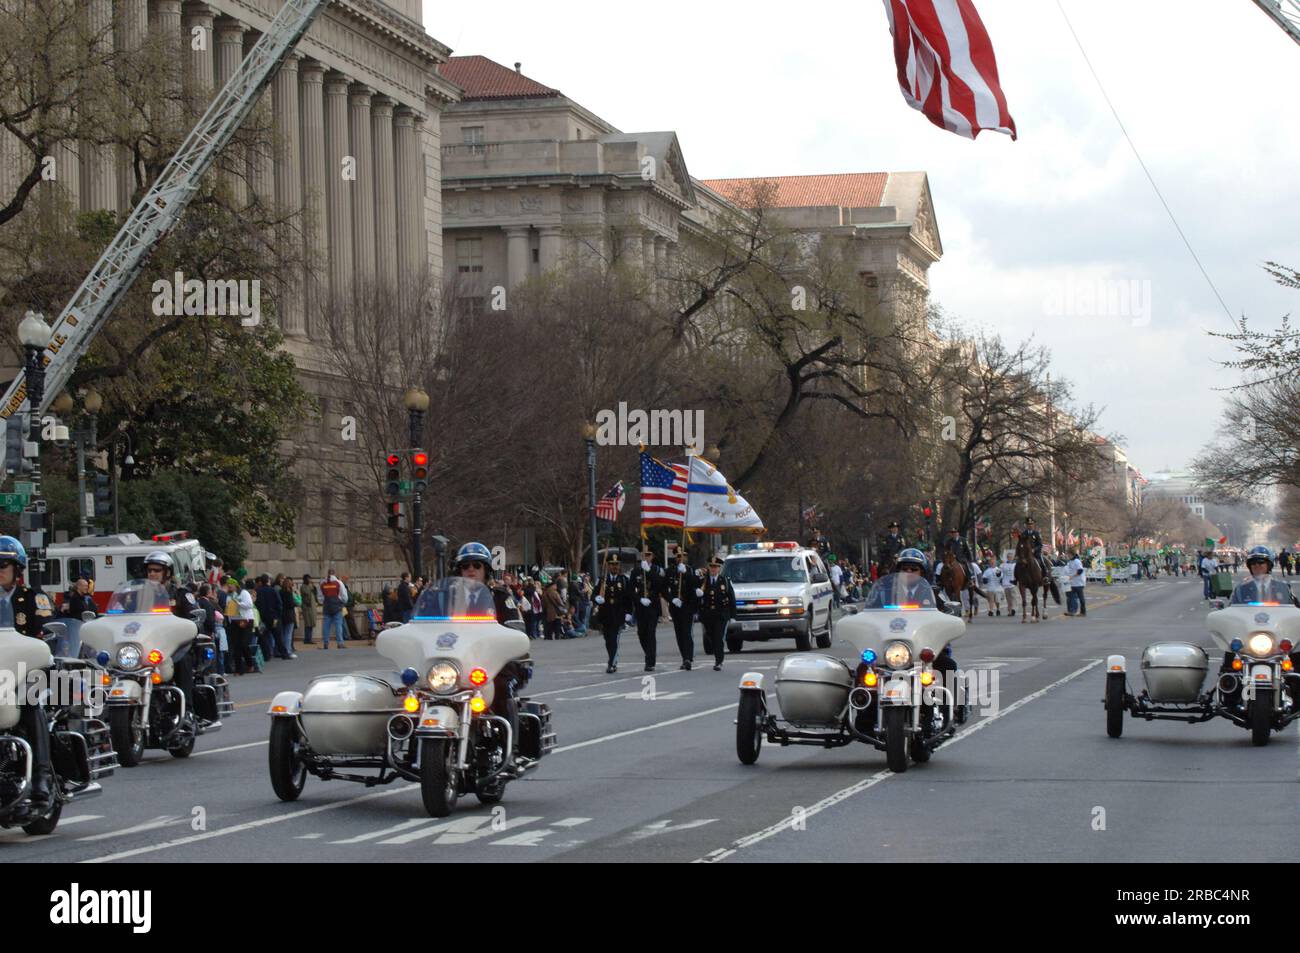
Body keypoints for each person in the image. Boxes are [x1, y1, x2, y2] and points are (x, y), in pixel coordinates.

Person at [0, 536, 56, 807]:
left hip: (29, 671)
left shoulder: (34, 598)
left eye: (3, 565)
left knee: (31, 702)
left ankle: (41, 775)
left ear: (17, 569)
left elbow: (45, 635)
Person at [628, 546, 665, 672]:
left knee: (650, 633)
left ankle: (650, 661)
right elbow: (630, 590)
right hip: (640, 607)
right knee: (641, 633)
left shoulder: (657, 570)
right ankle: (648, 653)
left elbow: (660, 585)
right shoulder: (635, 571)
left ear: (652, 556)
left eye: (648, 554)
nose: (646, 557)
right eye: (644, 554)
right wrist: (639, 600)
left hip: (652, 606)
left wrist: (648, 571)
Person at [593, 554, 631, 673]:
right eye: (612, 564)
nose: (614, 566)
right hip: (605, 615)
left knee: (615, 639)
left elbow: (628, 598)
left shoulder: (624, 580)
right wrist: (597, 598)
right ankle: (612, 658)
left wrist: (629, 612)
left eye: (616, 564)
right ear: (608, 566)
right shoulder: (602, 580)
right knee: (608, 640)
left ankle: (612, 663)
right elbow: (593, 594)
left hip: (618, 615)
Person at [698, 554, 736, 670]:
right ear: (708, 567)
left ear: (719, 568)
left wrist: (733, 615)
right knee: (710, 636)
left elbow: (731, 598)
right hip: (707, 614)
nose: (713, 569)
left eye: (716, 567)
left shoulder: (724, 581)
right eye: (711, 566)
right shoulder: (703, 581)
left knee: (718, 637)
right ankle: (718, 654)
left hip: (721, 614)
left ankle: (718, 661)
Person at [667, 547, 700, 670]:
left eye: (683, 556)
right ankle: (684, 657)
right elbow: (664, 588)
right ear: (675, 557)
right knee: (679, 634)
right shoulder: (670, 571)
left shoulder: (691, 570)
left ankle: (688, 658)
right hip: (676, 607)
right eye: (678, 556)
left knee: (687, 632)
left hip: (687, 606)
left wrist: (685, 572)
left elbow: (696, 584)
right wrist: (671, 599)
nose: (681, 558)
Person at [222, 575, 256, 674]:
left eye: (231, 585)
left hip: (246, 619)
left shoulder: (244, 593)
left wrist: (239, 603)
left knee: (244, 644)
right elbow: (228, 609)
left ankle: (250, 664)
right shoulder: (228, 596)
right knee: (236, 645)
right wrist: (228, 620)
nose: (229, 587)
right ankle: (238, 669)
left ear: (235, 585)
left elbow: (249, 605)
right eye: (228, 585)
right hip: (235, 621)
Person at [319, 571, 348, 650]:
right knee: (339, 625)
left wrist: (324, 602)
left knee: (326, 626)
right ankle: (340, 643)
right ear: (334, 574)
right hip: (337, 607)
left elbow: (320, 597)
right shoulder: (338, 582)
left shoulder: (322, 583)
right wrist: (342, 601)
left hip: (327, 606)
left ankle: (326, 643)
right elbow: (344, 596)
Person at [1065, 550, 1087, 616]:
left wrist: (1073, 576)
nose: (1067, 556)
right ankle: (1072, 611)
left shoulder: (1077, 561)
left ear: (1072, 554)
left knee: (1081, 598)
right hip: (1072, 583)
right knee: (1071, 597)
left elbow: (1080, 570)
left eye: (1068, 554)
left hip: (1079, 583)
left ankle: (1083, 612)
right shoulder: (1070, 562)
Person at [300, 574, 318, 645]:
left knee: (311, 623)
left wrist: (313, 587)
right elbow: (306, 593)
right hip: (307, 607)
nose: (310, 580)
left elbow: (314, 593)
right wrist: (311, 587)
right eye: (308, 579)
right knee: (308, 624)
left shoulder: (310, 586)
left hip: (312, 607)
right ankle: (307, 639)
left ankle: (309, 638)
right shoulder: (303, 587)